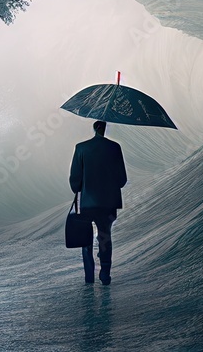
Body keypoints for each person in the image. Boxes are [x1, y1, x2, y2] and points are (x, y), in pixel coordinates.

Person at [69, 120, 128, 285]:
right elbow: (122, 180)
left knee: (85, 239)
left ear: (94, 128)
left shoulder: (81, 148)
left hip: (88, 202)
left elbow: (75, 182)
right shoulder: (115, 147)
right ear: (104, 128)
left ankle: (89, 276)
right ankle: (105, 274)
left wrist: (83, 186)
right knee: (105, 236)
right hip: (108, 203)